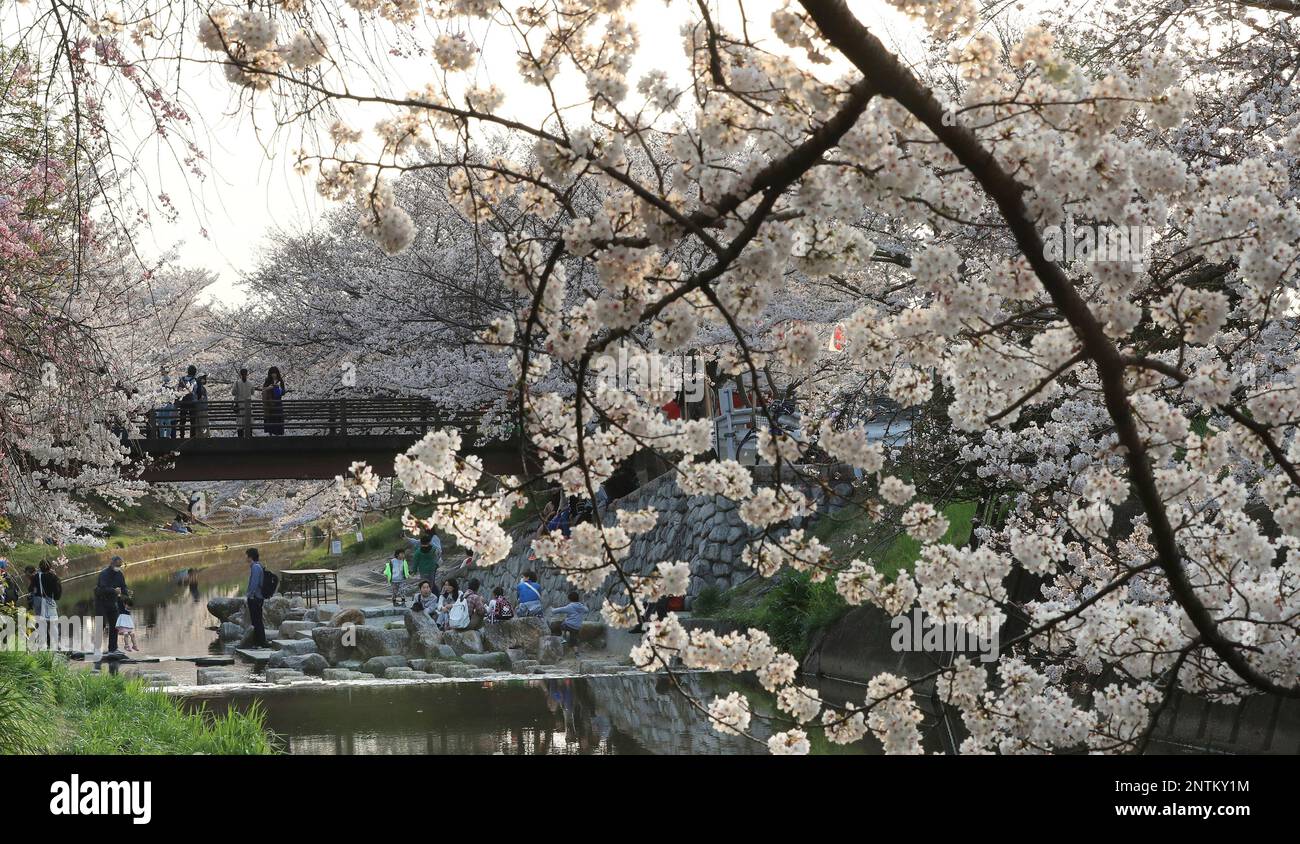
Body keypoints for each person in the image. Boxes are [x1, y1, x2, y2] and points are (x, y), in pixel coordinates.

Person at [93, 556, 129, 657]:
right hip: (101, 603)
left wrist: (127, 592)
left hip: (112, 603)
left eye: (120, 565)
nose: (119, 567)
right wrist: (114, 591)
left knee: (115, 625)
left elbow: (123, 586)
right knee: (101, 625)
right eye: (117, 565)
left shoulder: (120, 574)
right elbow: (102, 589)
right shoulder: (104, 574)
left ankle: (113, 649)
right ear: (112, 563)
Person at [245, 548, 268, 647]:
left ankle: (261, 642)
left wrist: (249, 595)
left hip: (255, 598)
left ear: (250, 557)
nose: (246, 558)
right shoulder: (258, 566)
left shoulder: (255, 567)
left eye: (247, 556)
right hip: (258, 597)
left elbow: (254, 584)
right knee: (257, 620)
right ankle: (259, 641)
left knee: (256, 620)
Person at [232, 368, 257, 437]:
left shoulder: (237, 383)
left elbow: (233, 393)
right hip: (248, 405)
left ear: (240, 374)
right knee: (249, 423)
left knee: (240, 424)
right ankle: (250, 440)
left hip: (240, 405)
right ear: (247, 374)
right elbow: (252, 392)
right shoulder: (251, 383)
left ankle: (240, 440)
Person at [176, 364, 200, 439]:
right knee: (193, 420)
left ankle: (182, 435)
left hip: (183, 402)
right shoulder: (195, 380)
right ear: (195, 372)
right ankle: (192, 436)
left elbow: (178, 390)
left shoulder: (182, 379)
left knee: (182, 420)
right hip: (193, 402)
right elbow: (198, 392)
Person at [262, 367, 286, 435]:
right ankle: (270, 434)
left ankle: (277, 434)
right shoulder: (267, 381)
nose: (273, 375)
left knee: (278, 418)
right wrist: (269, 388)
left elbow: (284, 392)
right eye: (272, 373)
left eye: (275, 373)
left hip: (278, 402)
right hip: (270, 403)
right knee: (270, 419)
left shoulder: (280, 381)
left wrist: (279, 390)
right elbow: (263, 390)